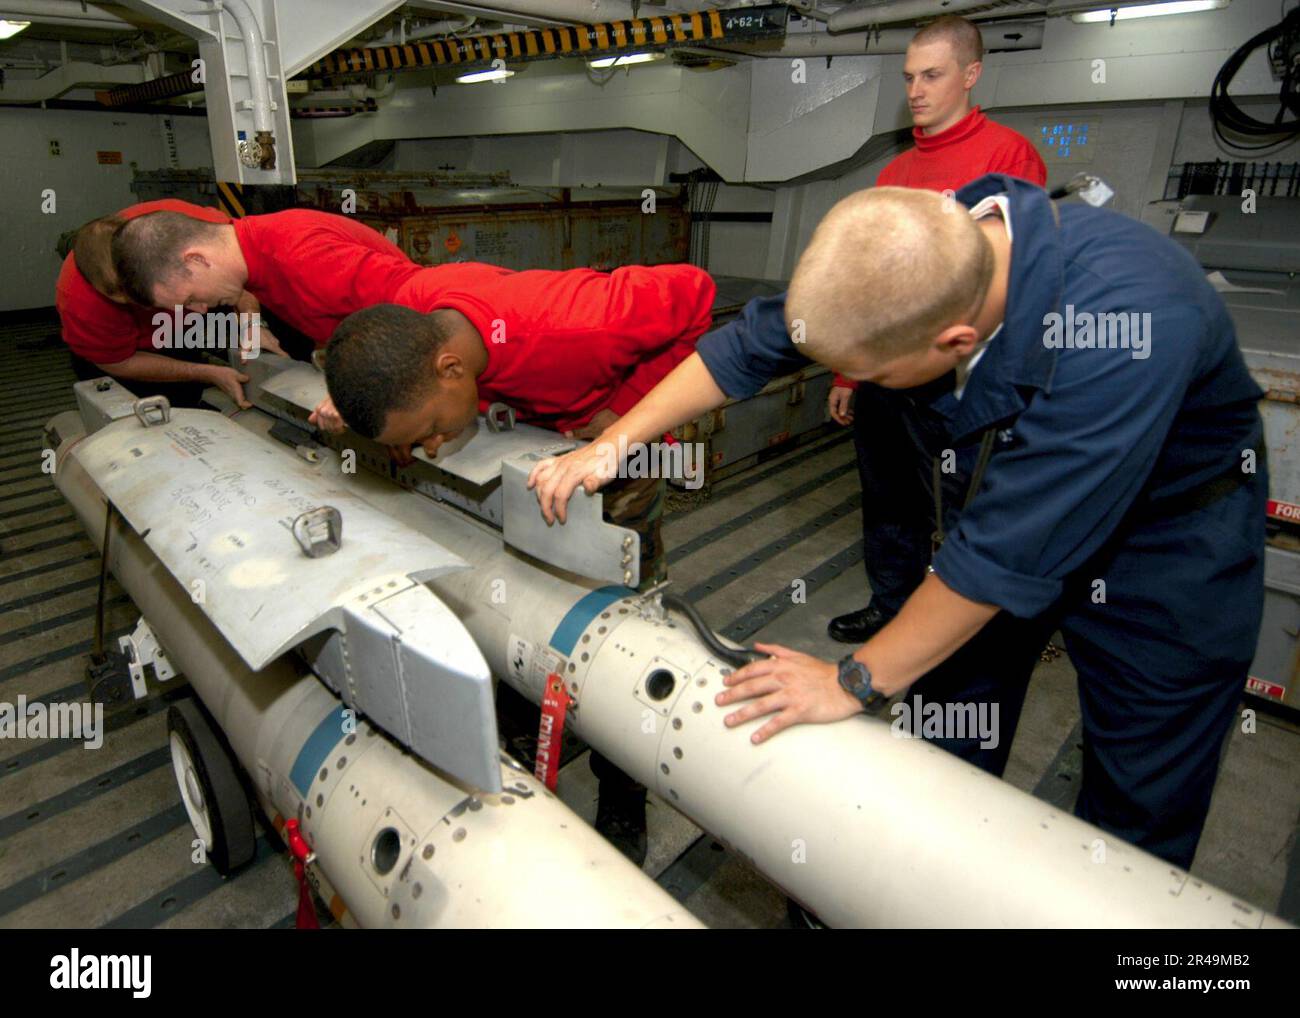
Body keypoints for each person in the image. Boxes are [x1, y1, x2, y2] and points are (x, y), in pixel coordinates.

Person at [527, 175, 1266, 870]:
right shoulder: (907, 253)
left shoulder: (1130, 323)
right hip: (997, 516)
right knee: (944, 730)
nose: (867, 390)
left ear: (954, 343)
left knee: (1145, 784)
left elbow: (1000, 555)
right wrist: (613, 442)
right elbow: (747, 348)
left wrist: (851, 680)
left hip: (1161, 544)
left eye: (874, 379)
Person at [320, 262, 718, 867]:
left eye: (428, 430)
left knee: (624, 626)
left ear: (451, 369)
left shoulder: (580, 326)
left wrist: (625, 421)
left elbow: (695, 296)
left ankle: (623, 786)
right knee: (525, 596)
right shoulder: (416, 316)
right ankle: (525, 724)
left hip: (612, 458)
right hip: (529, 451)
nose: (430, 446)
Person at [826, 14, 1047, 645]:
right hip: (888, 372)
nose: (916, 90)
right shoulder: (894, 173)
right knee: (887, 494)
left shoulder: (1007, 156)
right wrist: (850, 370)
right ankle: (891, 605)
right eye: (908, 77)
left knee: (957, 505)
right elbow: (871, 278)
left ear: (971, 74)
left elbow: (1017, 277)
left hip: (958, 378)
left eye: (932, 75)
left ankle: (956, 627)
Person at [56, 199, 281, 408]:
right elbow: (119, 361)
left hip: (174, 331)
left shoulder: (190, 226)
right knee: (164, 412)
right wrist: (207, 372)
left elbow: (239, 272)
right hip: (131, 354)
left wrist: (252, 322)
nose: (202, 307)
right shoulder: (80, 301)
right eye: (136, 301)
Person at [109, 208, 420, 348]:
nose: (200, 311)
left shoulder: (301, 257)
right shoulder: (254, 261)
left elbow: (424, 307)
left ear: (197, 259)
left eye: (191, 299)